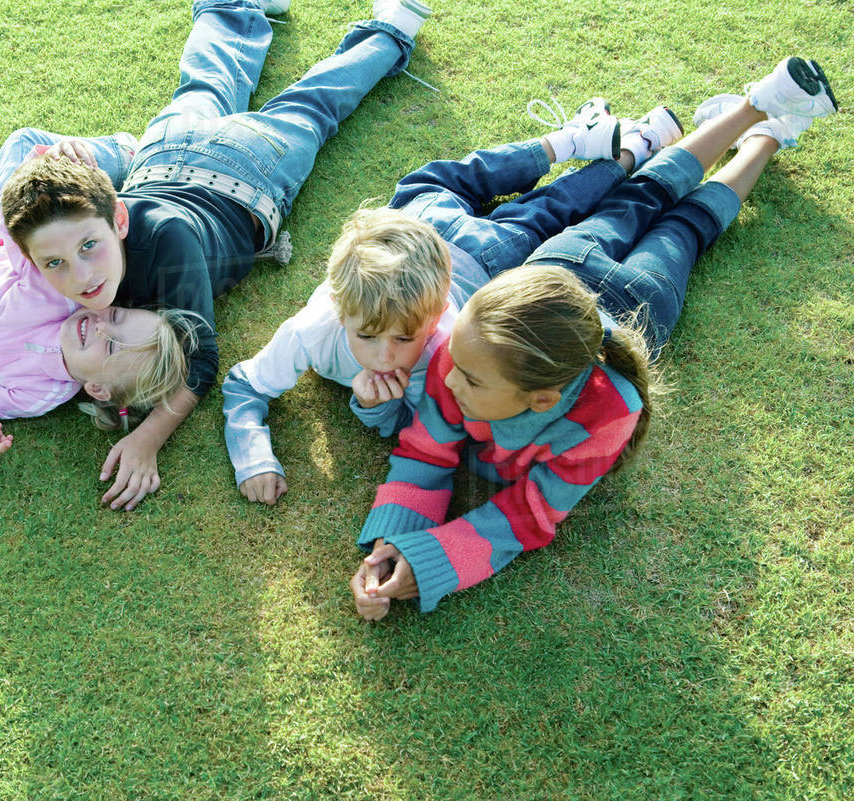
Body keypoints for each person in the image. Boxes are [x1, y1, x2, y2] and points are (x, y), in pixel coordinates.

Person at [350, 57, 838, 620]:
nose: (443, 374)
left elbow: (529, 515)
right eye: (456, 364)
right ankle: (762, 124)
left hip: (631, 297)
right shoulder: (462, 356)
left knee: (679, 217)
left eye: (471, 378)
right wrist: (394, 546)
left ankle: (764, 125)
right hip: (565, 271)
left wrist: (430, 564)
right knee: (658, 204)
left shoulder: (608, 412)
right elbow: (423, 452)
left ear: (543, 398)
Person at [0, 0, 438, 510]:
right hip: (159, 151)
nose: (81, 279)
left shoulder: (168, 241)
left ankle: (390, 31)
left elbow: (202, 359)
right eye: (55, 264)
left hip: (245, 172)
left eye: (90, 248)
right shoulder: (56, 270)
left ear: (119, 221)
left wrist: (148, 436)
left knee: (312, 106)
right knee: (207, 80)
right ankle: (231, 7)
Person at [222, 96, 685, 505]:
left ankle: (622, 151)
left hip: (474, 251)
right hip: (414, 234)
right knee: (507, 197)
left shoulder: (448, 348)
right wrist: (255, 457)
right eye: (366, 335)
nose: (385, 357)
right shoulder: (312, 329)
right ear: (341, 312)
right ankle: (599, 145)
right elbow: (246, 385)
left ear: (437, 316)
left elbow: (433, 431)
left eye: (406, 338)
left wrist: (388, 403)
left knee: (541, 210)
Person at [0, 230, 197, 455]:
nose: (101, 325)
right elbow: (18, 232)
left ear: (98, 389)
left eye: (111, 345)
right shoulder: (58, 290)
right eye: (116, 315)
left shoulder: (42, 394)